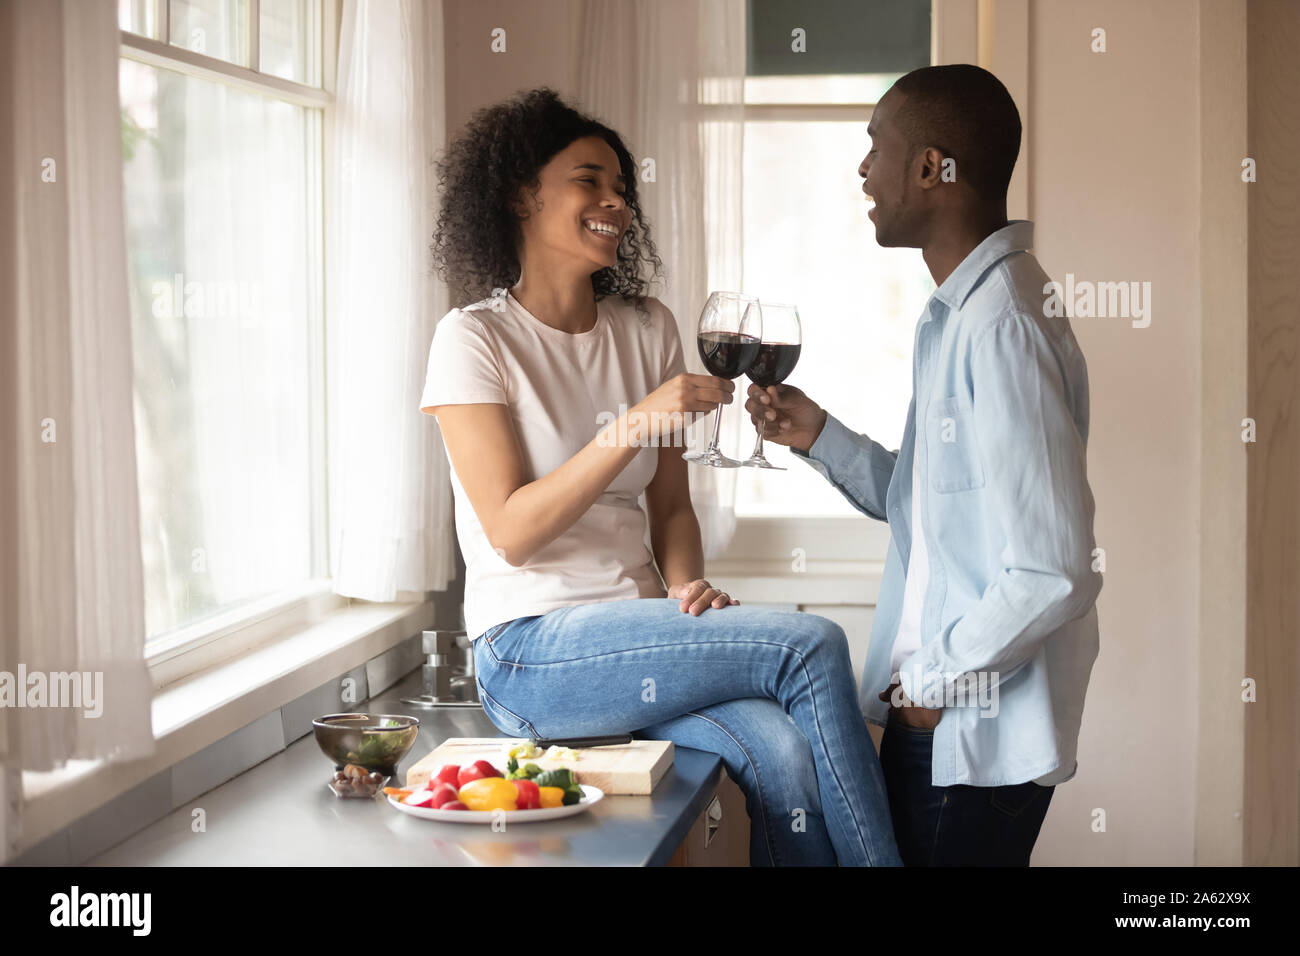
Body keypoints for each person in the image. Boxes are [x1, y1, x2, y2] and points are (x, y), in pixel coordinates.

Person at [420, 88, 901, 867]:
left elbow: (671, 508)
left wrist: (685, 591)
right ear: (520, 194)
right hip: (533, 653)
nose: (615, 201)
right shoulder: (474, 338)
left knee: (781, 751)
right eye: (589, 181)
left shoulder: (647, 327)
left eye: (622, 188)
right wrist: (634, 423)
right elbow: (510, 531)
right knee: (811, 643)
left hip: (644, 638)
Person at [747, 64, 1102, 867]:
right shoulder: (963, 315)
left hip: (967, 735)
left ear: (932, 167)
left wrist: (930, 687)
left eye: (877, 148)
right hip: (943, 726)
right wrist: (819, 436)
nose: (863, 171)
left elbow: (1052, 568)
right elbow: (938, 509)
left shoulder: (1000, 325)